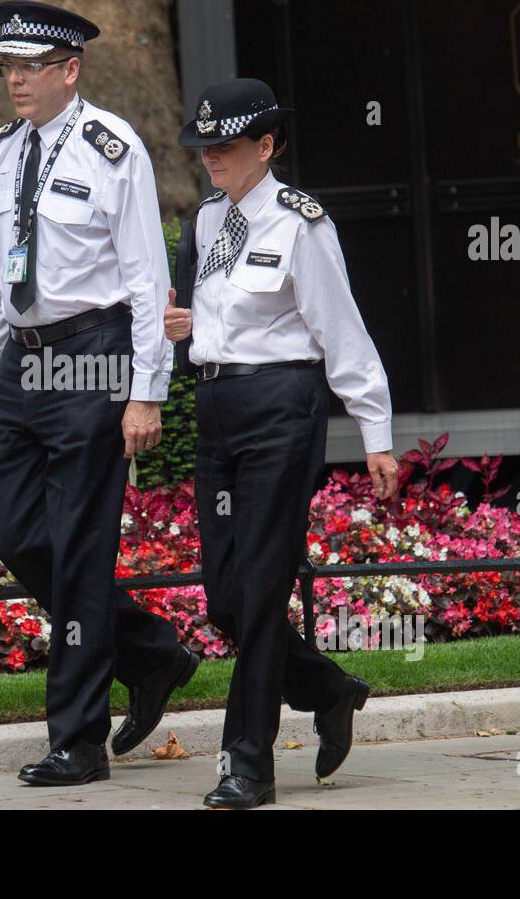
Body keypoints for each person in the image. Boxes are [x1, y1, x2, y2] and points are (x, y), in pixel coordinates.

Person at [0, 0, 197, 787]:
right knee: (23, 541)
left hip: (93, 357)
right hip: (24, 363)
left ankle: (78, 740)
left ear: (70, 71)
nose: (14, 79)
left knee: (83, 550)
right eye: (7, 67)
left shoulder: (110, 147)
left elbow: (145, 278)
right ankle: (152, 655)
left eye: (28, 67)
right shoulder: (4, 148)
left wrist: (145, 391)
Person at [165, 78, 400, 808]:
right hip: (218, 406)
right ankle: (328, 689)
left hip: (282, 407)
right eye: (203, 146)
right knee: (224, 596)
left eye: (226, 146)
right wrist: (185, 336)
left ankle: (248, 764)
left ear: (267, 146)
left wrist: (376, 433)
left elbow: (341, 331)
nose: (211, 159)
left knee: (263, 585)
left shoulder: (302, 224)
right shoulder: (205, 222)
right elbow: (198, 318)